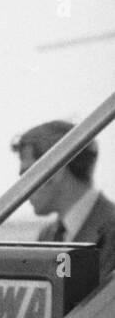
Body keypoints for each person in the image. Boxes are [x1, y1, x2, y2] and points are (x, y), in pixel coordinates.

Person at [12, 120, 115, 282]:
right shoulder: (47, 237)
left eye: (27, 175)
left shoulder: (111, 233)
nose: (22, 188)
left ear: (56, 171)